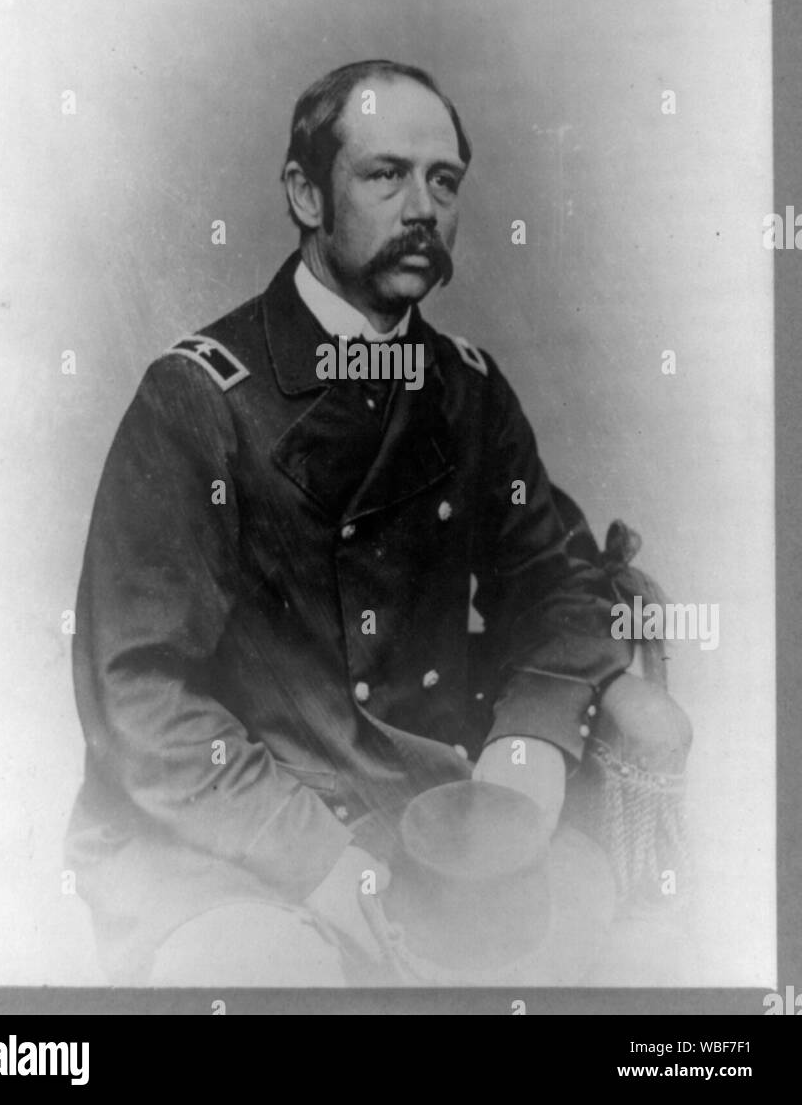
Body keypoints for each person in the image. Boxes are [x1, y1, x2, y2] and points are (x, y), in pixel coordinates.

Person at [67, 59, 691, 986]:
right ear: (305, 195)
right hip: (233, 828)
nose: (422, 209)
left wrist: (529, 745)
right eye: (384, 174)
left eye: (444, 182)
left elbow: (559, 586)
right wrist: (314, 861)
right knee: (271, 976)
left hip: (428, 808)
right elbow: (139, 690)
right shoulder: (198, 400)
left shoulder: (467, 389)